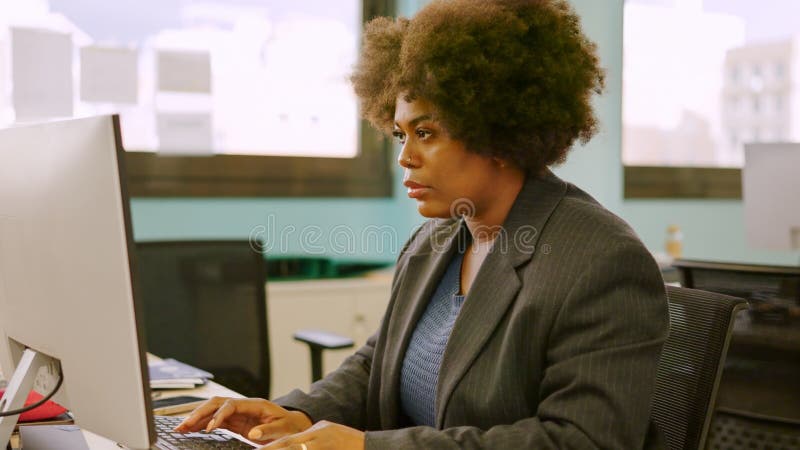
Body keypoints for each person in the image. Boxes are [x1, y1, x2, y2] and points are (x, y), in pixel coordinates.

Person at [176, 0, 669, 448]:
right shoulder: (435, 241)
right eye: (400, 134)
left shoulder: (600, 260)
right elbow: (377, 367)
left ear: (497, 131)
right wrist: (293, 412)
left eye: (427, 133)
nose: (406, 158)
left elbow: (581, 441)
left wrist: (369, 449)